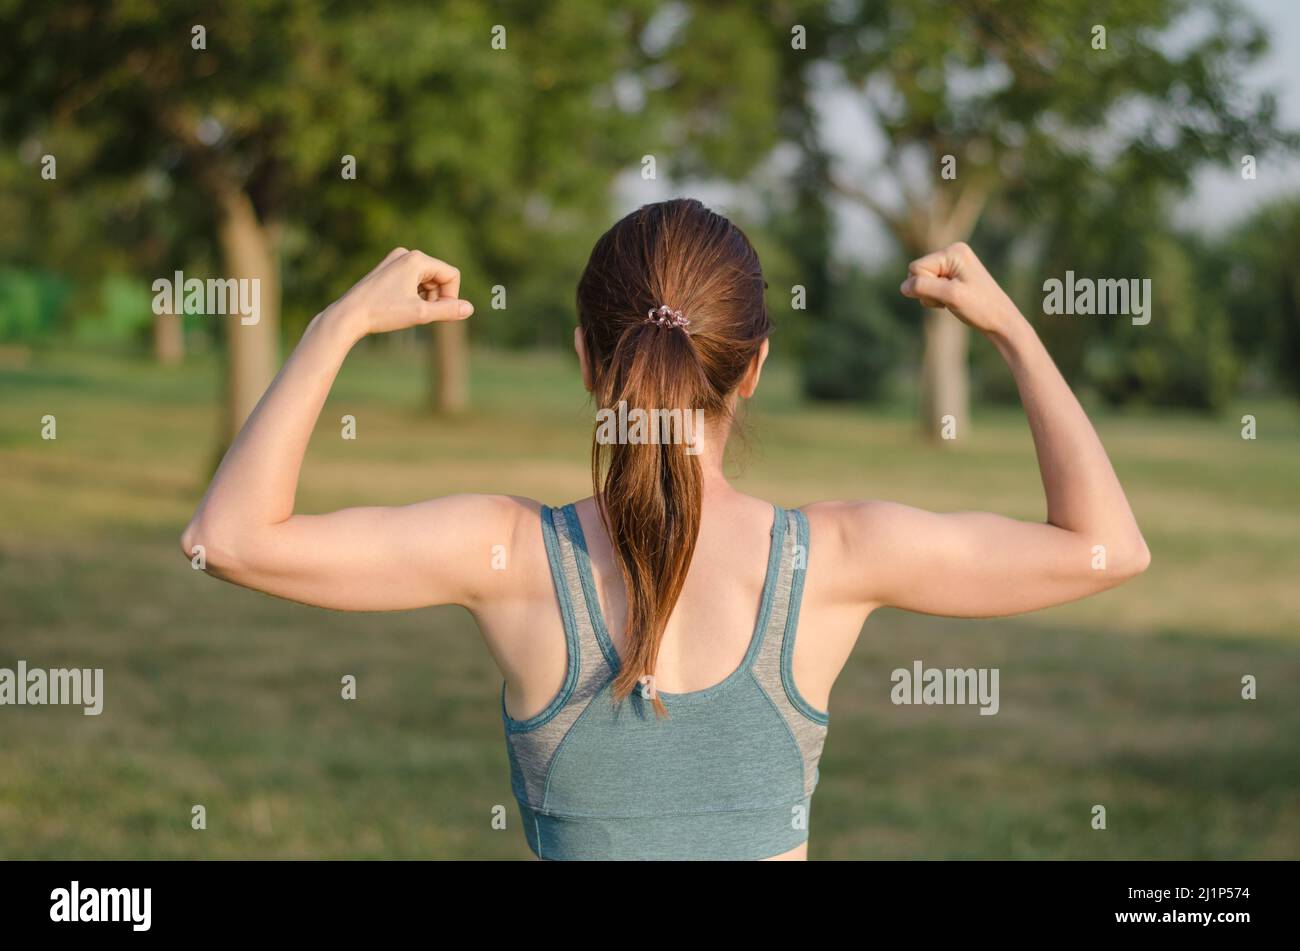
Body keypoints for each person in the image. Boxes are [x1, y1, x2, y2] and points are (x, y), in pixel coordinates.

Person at [181, 198, 1150, 860]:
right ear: (754, 366)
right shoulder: (835, 560)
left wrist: (333, 327)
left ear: (586, 362)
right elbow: (1106, 547)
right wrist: (1015, 334)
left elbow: (226, 539)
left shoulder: (509, 554)